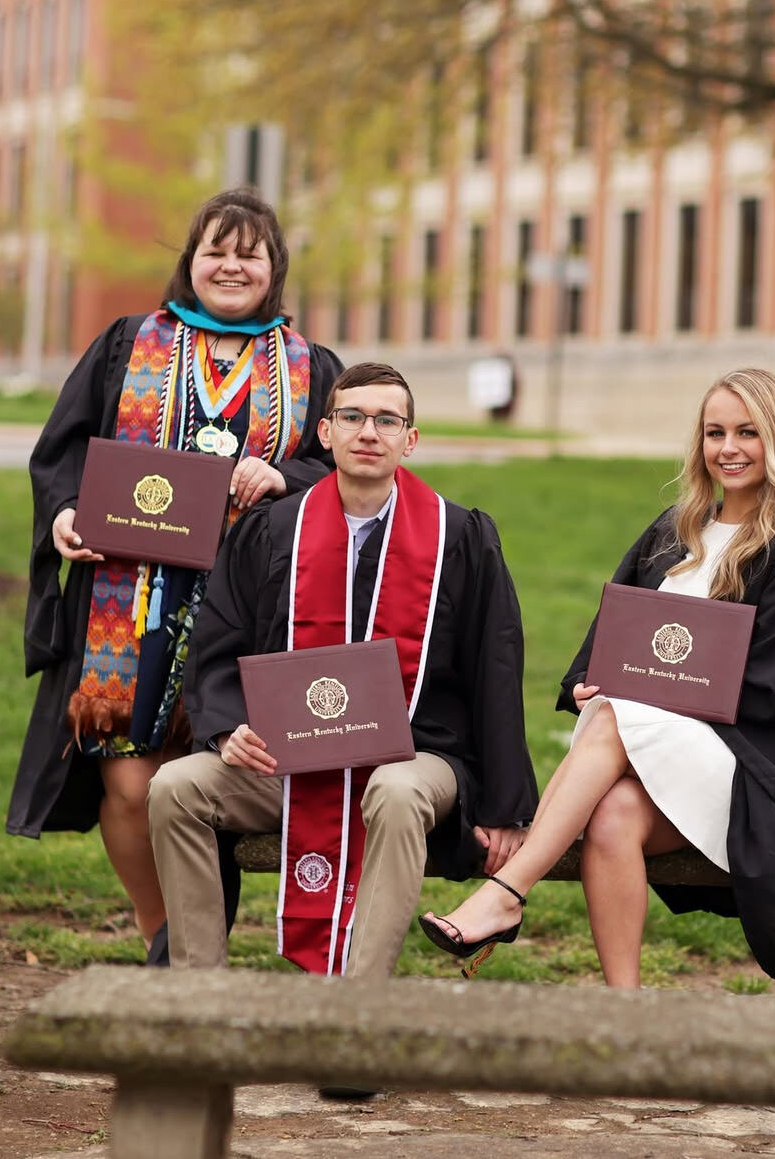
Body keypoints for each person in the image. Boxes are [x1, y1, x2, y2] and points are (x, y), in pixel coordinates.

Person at [419, 368, 775, 988]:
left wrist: (670, 697)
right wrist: (585, 685)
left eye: (747, 433)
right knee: (614, 816)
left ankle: (507, 891)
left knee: (624, 716)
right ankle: (627, 1016)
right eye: (714, 433)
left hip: (754, 768)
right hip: (656, 749)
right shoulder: (674, 533)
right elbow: (614, 636)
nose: (728, 448)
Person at [8, 187, 343, 952]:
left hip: (255, 608)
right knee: (128, 782)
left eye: (247, 253)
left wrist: (286, 475)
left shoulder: (312, 366)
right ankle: (166, 941)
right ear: (190, 262)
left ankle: (201, 954)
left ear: (274, 267)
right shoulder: (128, 343)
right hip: (130, 604)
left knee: (214, 772)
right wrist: (63, 514)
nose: (230, 265)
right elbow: (62, 451)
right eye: (214, 250)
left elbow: (343, 464)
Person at [146, 363, 537, 990]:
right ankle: (199, 1001)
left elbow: (497, 666)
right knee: (176, 788)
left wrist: (507, 806)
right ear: (325, 432)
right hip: (289, 759)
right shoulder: (273, 529)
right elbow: (217, 644)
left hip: (416, 753)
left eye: (387, 420)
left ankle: (356, 1013)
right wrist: (226, 729)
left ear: (411, 440)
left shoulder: (457, 536)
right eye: (353, 416)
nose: (368, 431)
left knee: (397, 792)